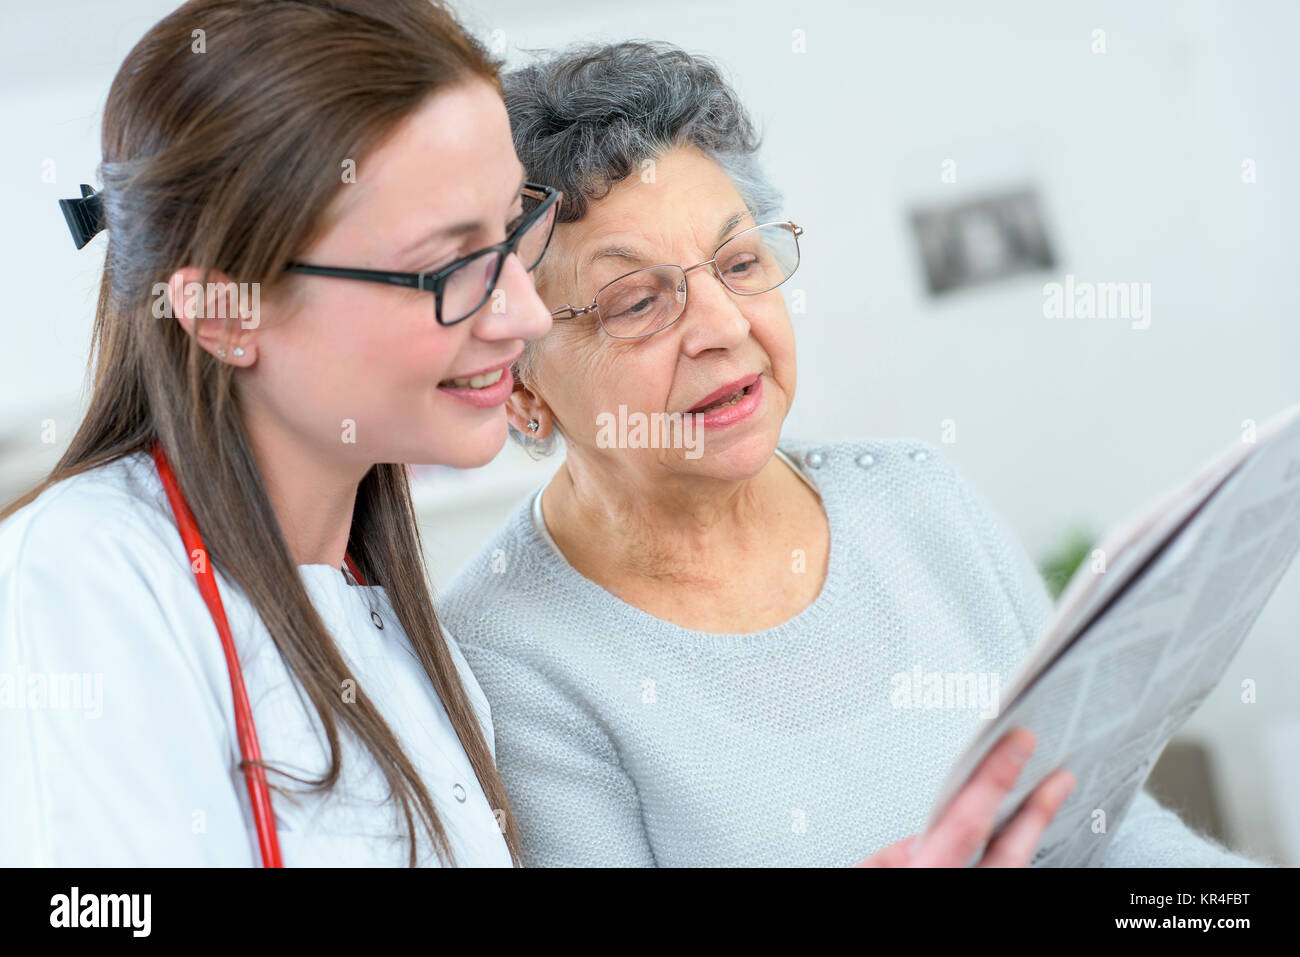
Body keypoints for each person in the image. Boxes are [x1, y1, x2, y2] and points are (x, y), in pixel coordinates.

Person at [436, 40, 1266, 867]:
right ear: (519, 386)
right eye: (637, 302)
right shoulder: (506, 654)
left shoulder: (921, 498)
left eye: (739, 261)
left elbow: (1098, 828)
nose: (726, 327)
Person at [0, 0, 557, 867]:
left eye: (515, 230)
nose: (524, 311)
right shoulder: (81, 578)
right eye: (448, 266)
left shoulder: (398, 627)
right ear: (225, 312)